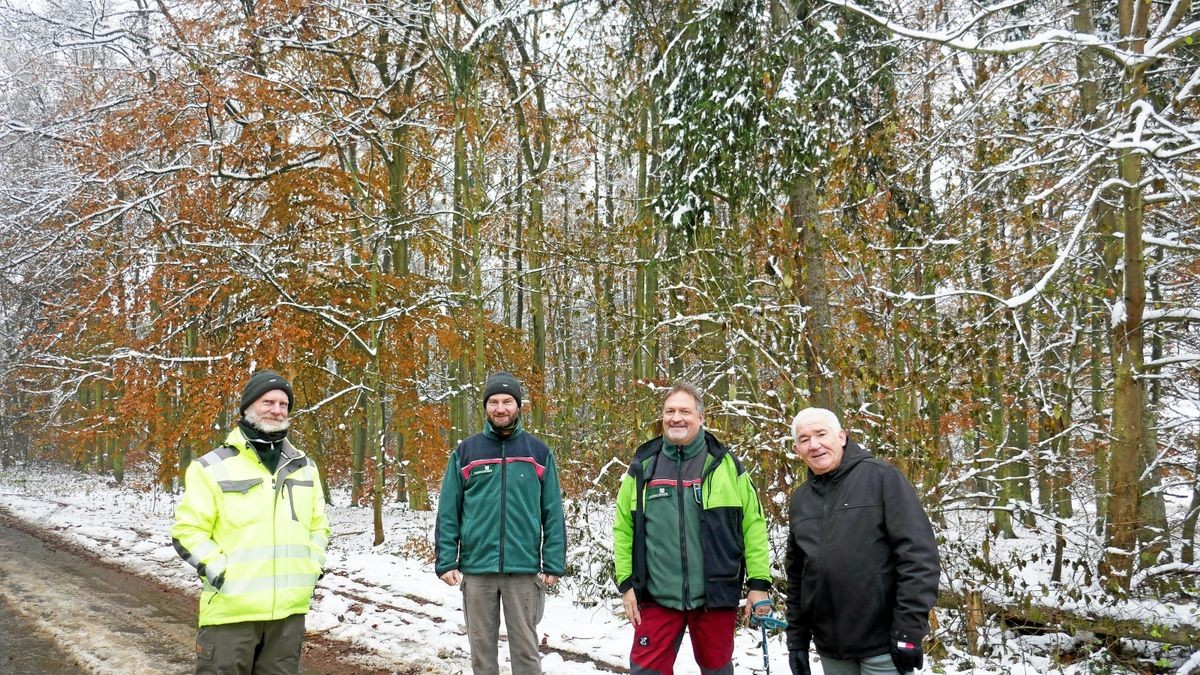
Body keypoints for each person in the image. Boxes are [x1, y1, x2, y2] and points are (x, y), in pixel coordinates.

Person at [171, 370, 330, 674]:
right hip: (231, 613)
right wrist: (222, 573)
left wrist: (312, 566)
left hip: (288, 616)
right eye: (268, 402)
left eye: (283, 404)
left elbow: (318, 526)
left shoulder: (305, 467)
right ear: (247, 407)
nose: (277, 410)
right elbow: (188, 531)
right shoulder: (211, 467)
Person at [613, 380, 773, 675]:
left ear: (701, 417)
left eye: (684, 411)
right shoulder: (643, 466)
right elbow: (623, 527)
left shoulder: (725, 465)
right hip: (656, 598)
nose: (676, 418)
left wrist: (759, 584)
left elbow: (753, 525)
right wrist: (626, 585)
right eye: (669, 411)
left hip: (715, 598)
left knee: (717, 671)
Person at [785, 407, 940, 675]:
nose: (814, 445)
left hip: (883, 646)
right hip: (831, 650)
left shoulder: (881, 478)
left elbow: (919, 558)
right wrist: (796, 641)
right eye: (804, 439)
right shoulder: (801, 500)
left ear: (841, 436)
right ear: (797, 449)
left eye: (821, 434)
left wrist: (908, 630)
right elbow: (798, 575)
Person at [435, 371, 566, 675]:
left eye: (507, 401)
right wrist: (446, 560)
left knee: (526, 651)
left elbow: (552, 512)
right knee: (482, 653)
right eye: (494, 402)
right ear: (485, 406)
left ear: (518, 406)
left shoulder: (538, 453)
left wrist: (553, 561)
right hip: (477, 568)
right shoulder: (466, 453)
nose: (500, 408)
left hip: (523, 569)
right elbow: (449, 511)